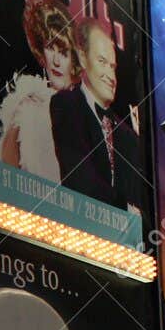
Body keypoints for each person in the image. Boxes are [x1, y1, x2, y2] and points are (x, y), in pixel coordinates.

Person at [49, 17, 136, 209]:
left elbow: (141, 200)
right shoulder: (65, 105)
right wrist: (125, 209)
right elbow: (81, 181)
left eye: (112, 67)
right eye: (102, 62)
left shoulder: (127, 134)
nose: (111, 76)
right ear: (82, 58)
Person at [0, 0, 75, 180]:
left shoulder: (88, 116)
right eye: (50, 48)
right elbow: (6, 177)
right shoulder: (26, 108)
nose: (55, 61)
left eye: (63, 52)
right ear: (41, 51)